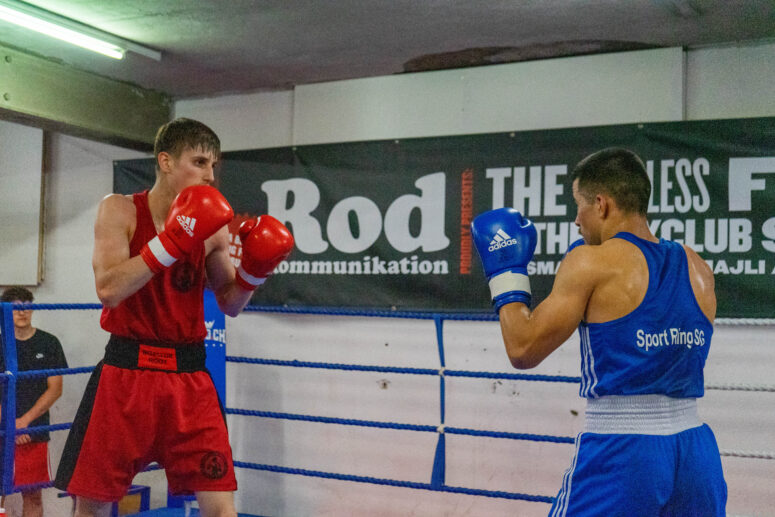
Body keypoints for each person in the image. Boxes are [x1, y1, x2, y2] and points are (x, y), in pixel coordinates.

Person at [54, 118, 294, 517]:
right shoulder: (120, 210)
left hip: (189, 380)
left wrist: (255, 271)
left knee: (220, 507)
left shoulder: (214, 231)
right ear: (166, 161)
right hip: (126, 376)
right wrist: (171, 242)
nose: (210, 175)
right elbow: (109, 289)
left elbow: (231, 303)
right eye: (199, 162)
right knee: (91, 509)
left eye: (214, 166)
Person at [471, 147, 726, 516]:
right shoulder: (697, 267)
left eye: (580, 206)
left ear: (602, 204)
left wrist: (505, 273)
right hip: (696, 453)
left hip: (624, 449)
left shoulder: (591, 261)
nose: (577, 220)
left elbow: (522, 348)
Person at [0, 287, 68, 517]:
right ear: (5, 311)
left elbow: (55, 388)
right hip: (1, 430)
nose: (22, 312)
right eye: (16, 307)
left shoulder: (49, 343)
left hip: (35, 430)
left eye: (27, 305)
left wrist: (25, 422)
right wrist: (11, 426)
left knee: (32, 495)